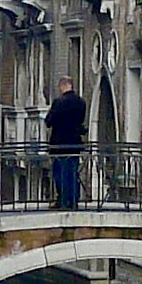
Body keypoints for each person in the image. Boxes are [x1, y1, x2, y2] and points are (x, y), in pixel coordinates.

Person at [47, 79, 88, 210]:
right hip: (74, 143)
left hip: (59, 144)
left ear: (63, 86)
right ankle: (74, 200)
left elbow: (49, 121)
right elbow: (80, 121)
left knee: (60, 173)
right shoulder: (81, 102)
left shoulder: (58, 102)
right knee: (73, 172)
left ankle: (63, 201)